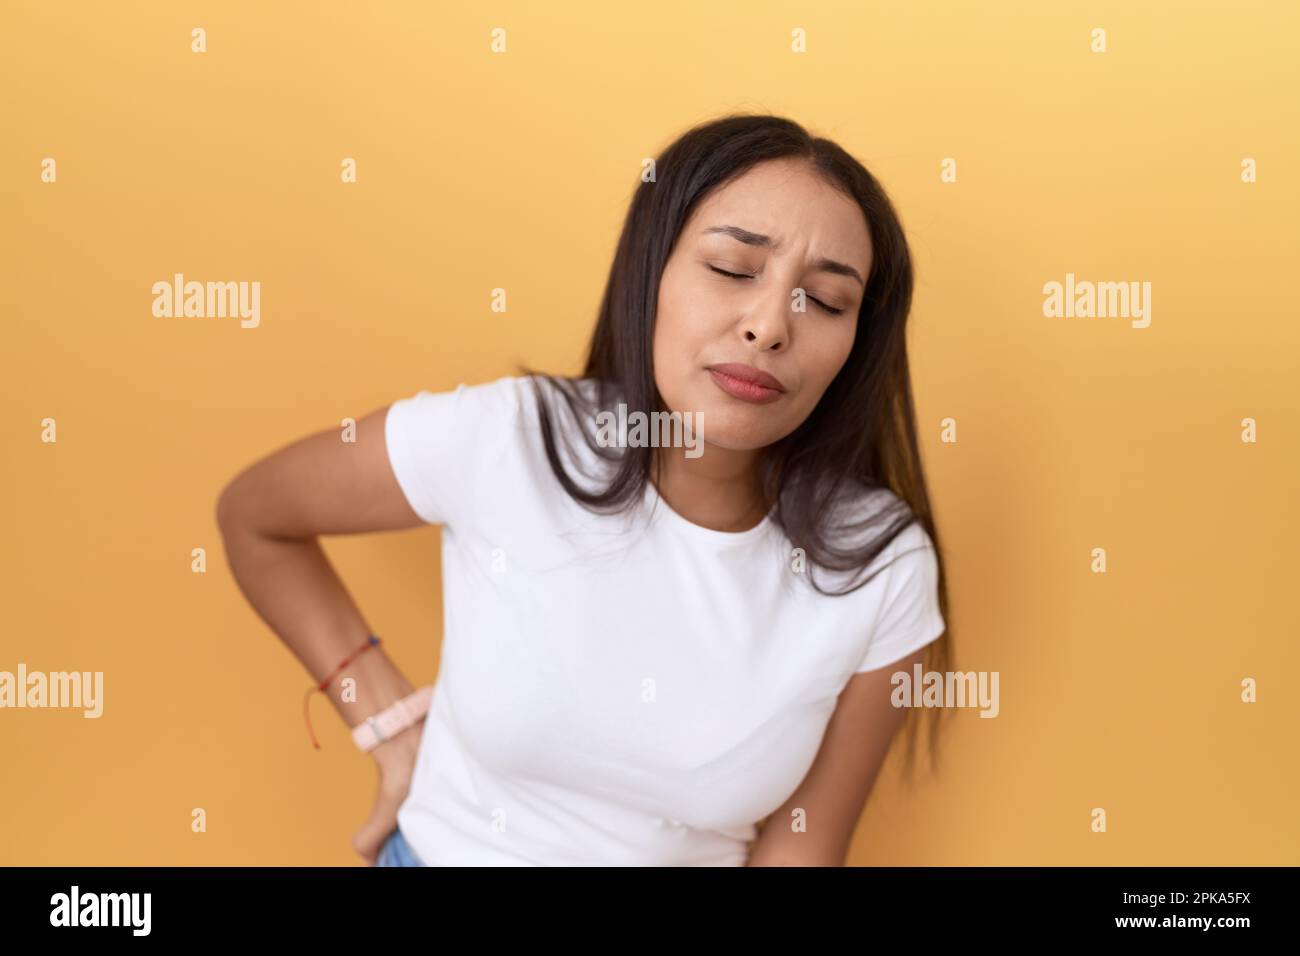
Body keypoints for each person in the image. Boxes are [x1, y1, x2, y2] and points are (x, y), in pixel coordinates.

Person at [216, 113, 953, 867]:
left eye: (826, 303)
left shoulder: (881, 564)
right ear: (651, 274)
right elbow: (255, 517)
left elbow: (804, 848)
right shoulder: (508, 439)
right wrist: (390, 727)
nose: (769, 326)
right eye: (733, 268)